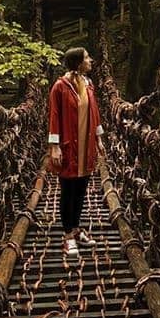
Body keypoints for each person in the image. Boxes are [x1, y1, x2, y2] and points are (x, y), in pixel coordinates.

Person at [47, 47, 104, 259]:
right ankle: (68, 235)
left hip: (86, 146)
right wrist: (54, 146)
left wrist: (99, 138)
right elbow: (54, 116)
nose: (91, 60)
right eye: (87, 57)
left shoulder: (88, 84)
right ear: (78, 62)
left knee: (81, 189)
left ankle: (77, 228)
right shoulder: (60, 87)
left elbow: (94, 112)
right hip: (69, 146)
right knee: (68, 190)